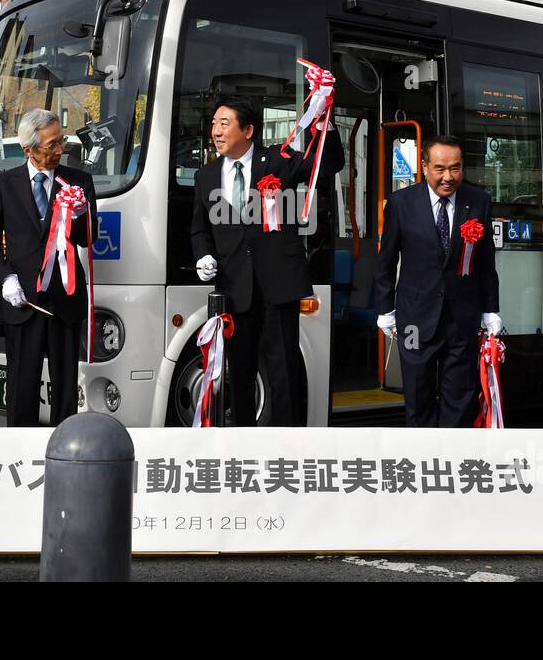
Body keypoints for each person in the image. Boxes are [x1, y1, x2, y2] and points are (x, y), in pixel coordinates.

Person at [190, 96, 344, 427]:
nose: (216, 131)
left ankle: (288, 445)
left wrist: (324, 123)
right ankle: (242, 442)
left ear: (248, 130)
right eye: (214, 124)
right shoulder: (206, 175)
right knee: (239, 372)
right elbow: (199, 229)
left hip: (278, 284)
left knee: (284, 370)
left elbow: (328, 165)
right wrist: (203, 255)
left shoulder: (277, 159)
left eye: (224, 124)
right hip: (235, 287)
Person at [0, 108, 97, 427]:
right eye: (51, 144)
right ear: (28, 149)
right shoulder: (3, 184)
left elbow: (89, 238)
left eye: (61, 141)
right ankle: (21, 452)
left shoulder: (79, 182)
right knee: (21, 390)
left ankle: (64, 448)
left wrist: (80, 215)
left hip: (64, 300)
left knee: (65, 392)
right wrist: (5, 279)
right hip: (22, 303)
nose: (60, 150)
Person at [374, 135, 501, 427]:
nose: (448, 177)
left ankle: (453, 454)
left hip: (462, 318)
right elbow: (386, 261)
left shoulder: (478, 201)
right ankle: (423, 454)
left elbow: (486, 262)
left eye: (455, 168)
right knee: (417, 396)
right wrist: (384, 310)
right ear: (424, 167)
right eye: (440, 168)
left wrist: (491, 309)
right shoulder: (401, 203)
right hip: (414, 320)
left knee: (460, 399)